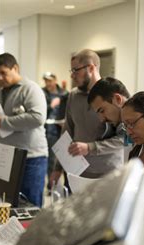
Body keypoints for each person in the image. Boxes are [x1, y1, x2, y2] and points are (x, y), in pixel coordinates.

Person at [0, 53, 48, 207]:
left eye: (3, 73)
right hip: (5, 158)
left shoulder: (30, 89)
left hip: (30, 158)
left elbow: (38, 118)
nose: (0, 78)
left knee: (30, 205)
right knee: (5, 204)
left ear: (15, 68)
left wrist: (4, 122)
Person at [50, 50, 125, 186]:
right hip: (76, 172)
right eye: (71, 71)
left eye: (75, 70)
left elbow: (126, 139)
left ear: (91, 67)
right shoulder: (73, 95)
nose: (72, 75)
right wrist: (57, 168)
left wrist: (91, 147)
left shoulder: (114, 94)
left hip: (106, 173)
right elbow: (67, 131)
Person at [42, 72, 68, 184]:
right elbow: (41, 112)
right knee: (52, 159)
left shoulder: (65, 93)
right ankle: (51, 185)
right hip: (50, 131)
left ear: (55, 80)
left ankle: (65, 185)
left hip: (64, 129)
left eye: (50, 80)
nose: (48, 83)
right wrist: (51, 106)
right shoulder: (42, 93)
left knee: (65, 158)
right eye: (46, 81)